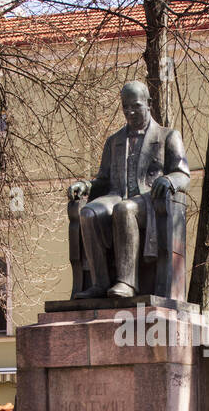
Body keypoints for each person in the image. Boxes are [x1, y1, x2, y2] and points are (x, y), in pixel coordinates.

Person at [68, 81, 190, 298]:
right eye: (125, 107)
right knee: (88, 213)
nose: (130, 112)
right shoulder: (114, 141)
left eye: (135, 106)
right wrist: (86, 185)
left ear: (149, 104)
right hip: (115, 194)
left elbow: (183, 174)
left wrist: (169, 181)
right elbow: (103, 180)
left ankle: (127, 283)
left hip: (148, 199)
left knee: (125, 209)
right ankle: (100, 283)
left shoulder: (167, 136)